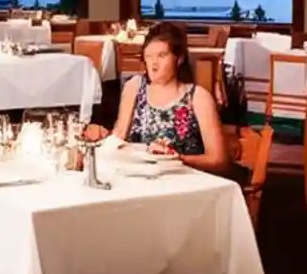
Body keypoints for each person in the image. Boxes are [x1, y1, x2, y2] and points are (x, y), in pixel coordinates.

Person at [85, 21, 230, 173]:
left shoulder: (197, 97)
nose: (154, 64)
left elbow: (219, 160)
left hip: (183, 180)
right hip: (139, 177)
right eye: (149, 56)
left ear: (178, 59)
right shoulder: (134, 87)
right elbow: (119, 137)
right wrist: (103, 136)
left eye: (162, 56)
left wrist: (178, 159)